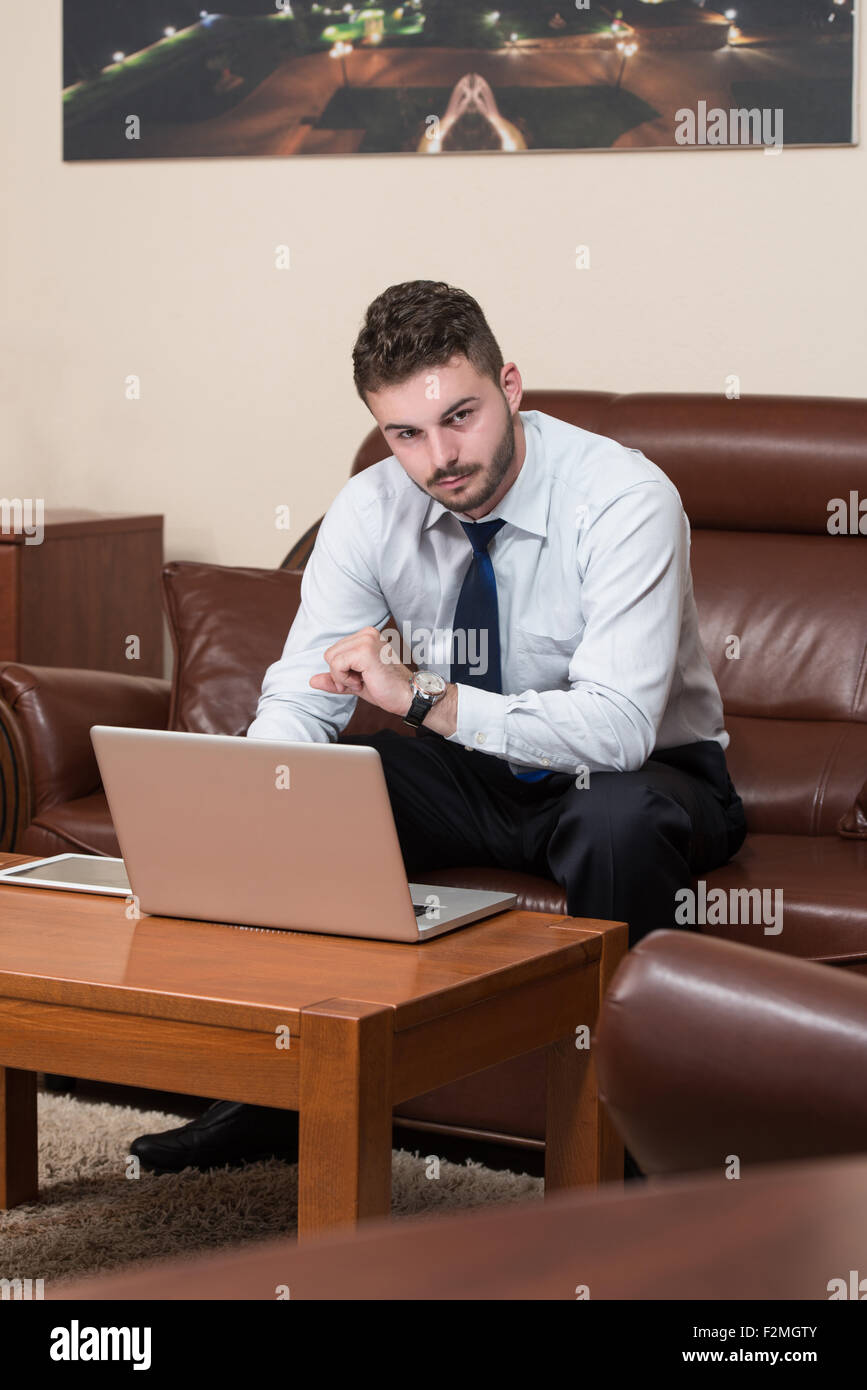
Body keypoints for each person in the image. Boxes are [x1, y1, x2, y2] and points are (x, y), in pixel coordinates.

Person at [131, 280, 746, 1176]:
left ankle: (632, 1142)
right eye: (404, 434)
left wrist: (419, 695)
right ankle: (276, 1099)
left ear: (511, 385)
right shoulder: (372, 508)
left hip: (643, 775)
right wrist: (252, 798)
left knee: (614, 819)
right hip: (473, 772)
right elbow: (305, 696)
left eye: (460, 416)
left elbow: (616, 729)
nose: (439, 458)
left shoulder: (621, 497)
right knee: (320, 791)